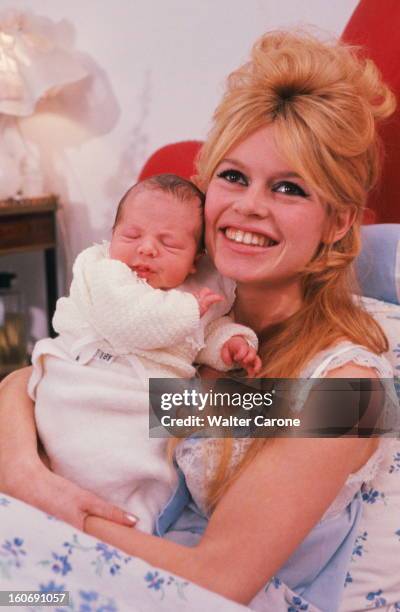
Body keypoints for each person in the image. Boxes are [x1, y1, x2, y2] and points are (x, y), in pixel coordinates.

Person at [0, 30, 398, 612]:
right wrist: (19, 465)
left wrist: (44, 500)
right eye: (234, 177)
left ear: (337, 222)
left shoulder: (346, 387)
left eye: (288, 188)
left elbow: (217, 579)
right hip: (107, 562)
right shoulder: (204, 327)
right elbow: (54, 383)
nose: (249, 207)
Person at [28, 172, 261, 534]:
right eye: (132, 235)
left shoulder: (200, 296)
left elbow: (205, 335)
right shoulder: (105, 272)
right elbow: (128, 320)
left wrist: (231, 344)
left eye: (169, 244)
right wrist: (19, 466)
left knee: (133, 490)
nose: (147, 249)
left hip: (140, 414)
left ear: (195, 260)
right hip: (85, 382)